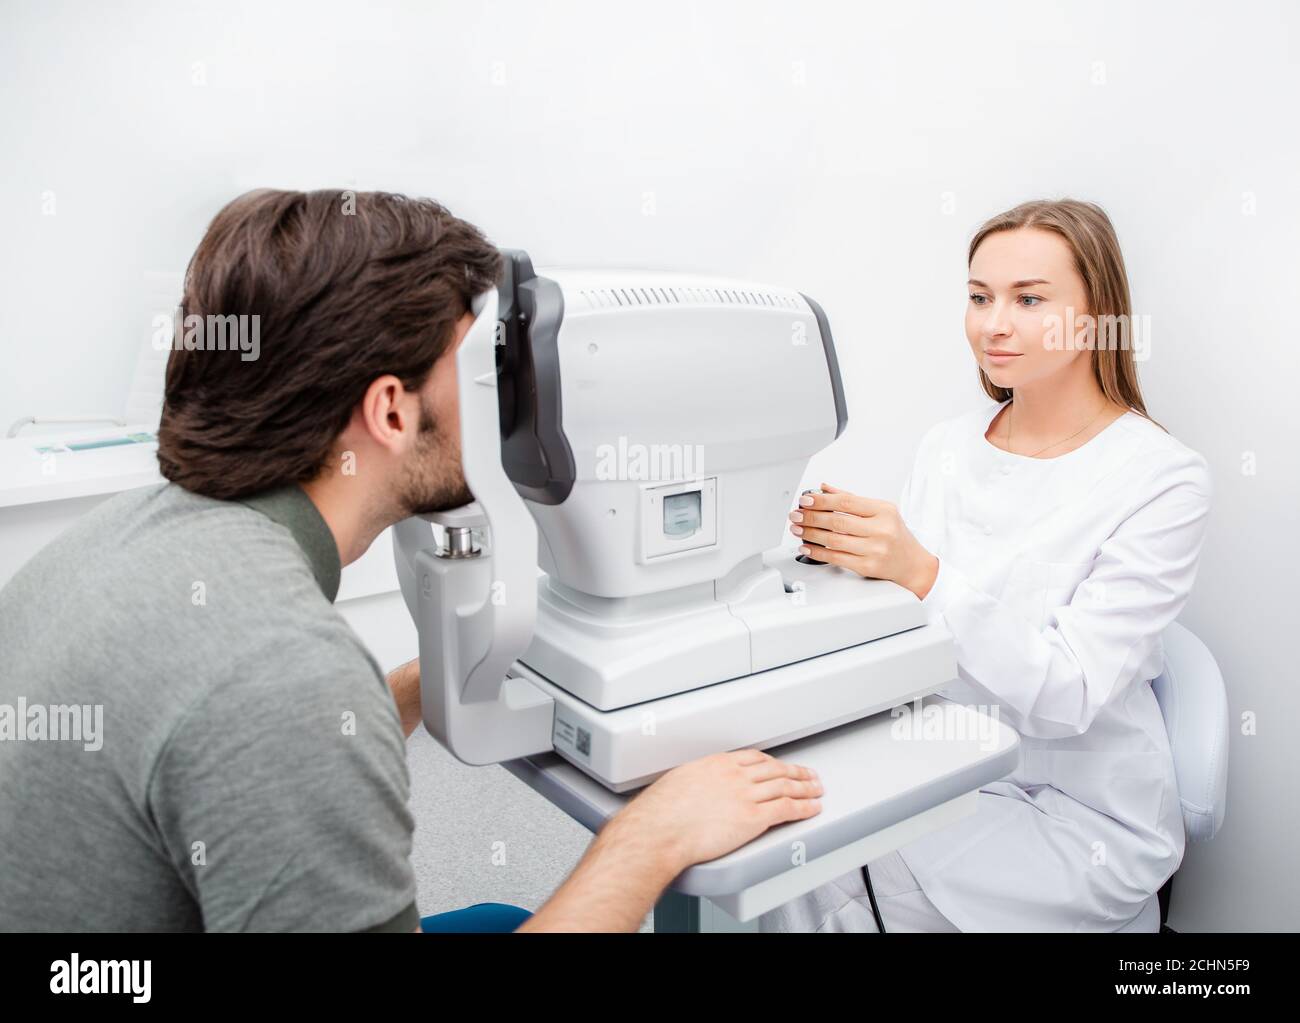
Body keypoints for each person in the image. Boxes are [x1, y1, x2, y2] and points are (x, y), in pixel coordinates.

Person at [0, 189, 823, 933]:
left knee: (501, 912)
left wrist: (415, 686)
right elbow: (275, 714)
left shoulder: (122, 540)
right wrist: (651, 838)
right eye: (474, 370)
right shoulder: (283, 674)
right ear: (391, 411)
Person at [760, 199, 1211, 932]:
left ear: (1096, 314)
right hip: (944, 759)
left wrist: (921, 572)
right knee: (783, 813)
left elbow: (1068, 692)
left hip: (1074, 817)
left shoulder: (1163, 478)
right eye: (979, 297)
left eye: (1029, 299)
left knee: (819, 853)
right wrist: (851, 563)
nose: (993, 324)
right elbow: (916, 625)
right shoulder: (950, 445)